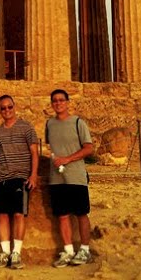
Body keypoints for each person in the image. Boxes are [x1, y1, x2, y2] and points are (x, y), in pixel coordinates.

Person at [0, 94, 40, 270]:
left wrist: (33, 176)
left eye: (9, 107)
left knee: (18, 214)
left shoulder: (26, 127)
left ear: (14, 107)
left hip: (20, 177)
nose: (6, 110)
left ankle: (16, 252)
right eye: (3, 108)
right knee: (2, 215)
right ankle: (5, 252)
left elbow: (34, 153)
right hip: (2, 178)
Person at [44, 88, 95, 267]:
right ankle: (68, 251)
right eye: (55, 101)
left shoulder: (78, 123)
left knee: (81, 213)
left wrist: (68, 159)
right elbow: (51, 146)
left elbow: (89, 148)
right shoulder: (49, 124)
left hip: (76, 175)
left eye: (61, 100)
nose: (58, 103)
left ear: (67, 102)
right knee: (62, 215)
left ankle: (85, 250)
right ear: (52, 104)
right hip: (56, 177)